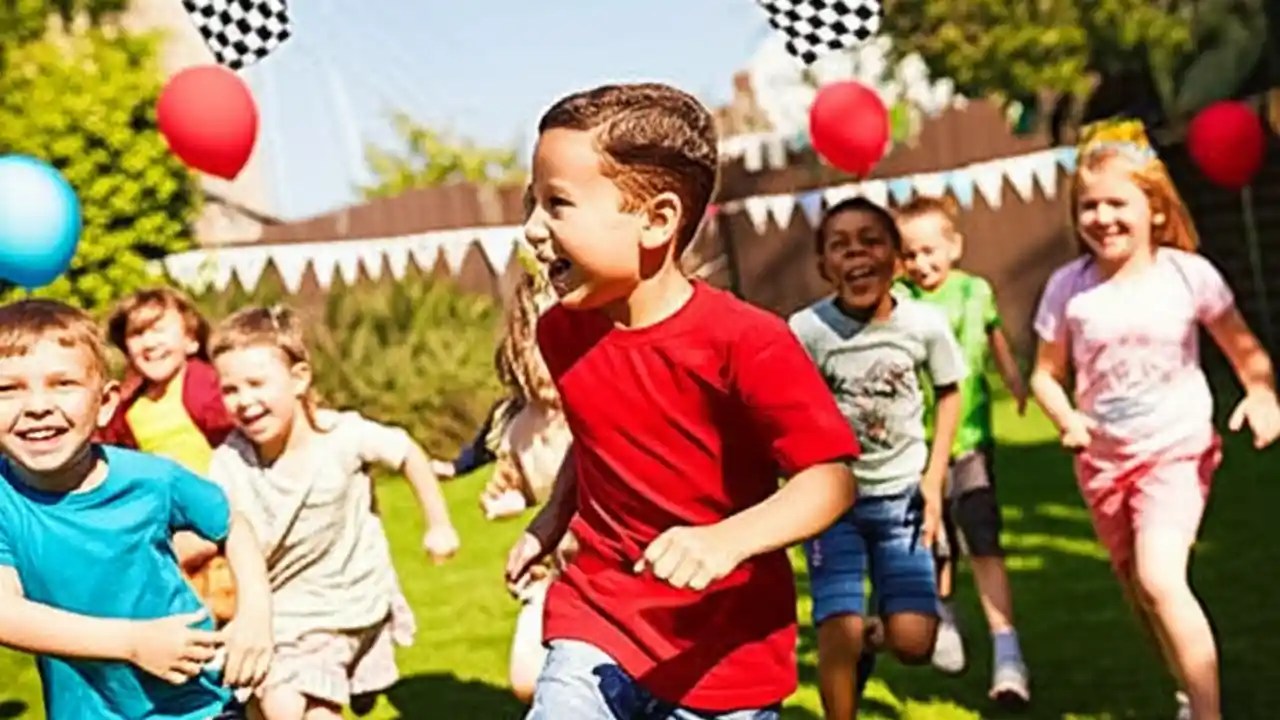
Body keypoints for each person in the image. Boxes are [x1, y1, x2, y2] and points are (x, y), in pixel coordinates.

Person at [504, 82, 861, 720]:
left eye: (557, 204)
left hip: (721, 649)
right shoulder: (560, 331)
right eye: (533, 202)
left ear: (657, 220)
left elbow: (830, 480)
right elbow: (596, 440)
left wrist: (726, 540)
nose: (531, 229)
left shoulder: (746, 342)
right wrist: (551, 519)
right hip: (599, 615)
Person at [1029, 123, 1280, 720]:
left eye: (1118, 202)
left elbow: (1245, 351)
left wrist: (1263, 394)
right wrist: (1066, 416)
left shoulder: (1187, 275)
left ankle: (1207, 712)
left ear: (1156, 209)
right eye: (1089, 205)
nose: (1102, 217)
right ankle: (1186, 691)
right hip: (1103, 461)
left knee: (1160, 578)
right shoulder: (1069, 289)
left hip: (1176, 448)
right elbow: (1044, 373)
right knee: (1141, 594)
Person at [0, 298, 272, 720]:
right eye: (7, 389)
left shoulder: (154, 480)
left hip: (197, 704)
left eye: (63, 384)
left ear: (106, 403)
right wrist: (131, 643)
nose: (37, 406)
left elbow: (232, 525)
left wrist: (255, 614)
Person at [203, 305, 461, 720]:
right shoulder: (230, 463)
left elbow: (408, 452)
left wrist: (439, 524)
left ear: (299, 378)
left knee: (285, 706)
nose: (244, 401)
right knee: (285, 706)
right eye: (230, 389)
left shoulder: (343, 437)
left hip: (350, 603)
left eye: (256, 383)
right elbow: (205, 527)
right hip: (282, 613)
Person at [789, 197, 965, 718]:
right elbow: (787, 407)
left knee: (914, 642)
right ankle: (846, 662)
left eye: (871, 241)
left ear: (897, 258)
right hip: (833, 505)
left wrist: (934, 481)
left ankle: (870, 638)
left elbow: (950, 391)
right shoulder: (807, 331)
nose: (857, 254)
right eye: (840, 246)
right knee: (836, 629)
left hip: (904, 501)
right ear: (824, 267)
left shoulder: (925, 325)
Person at [893, 195, 1031, 704]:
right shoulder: (900, 300)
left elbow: (993, 333)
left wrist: (1013, 375)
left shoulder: (976, 290)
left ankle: (1006, 650)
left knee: (983, 540)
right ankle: (945, 616)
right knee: (934, 538)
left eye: (930, 251)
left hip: (970, 442)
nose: (921, 264)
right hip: (918, 446)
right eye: (910, 255)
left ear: (955, 246)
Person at [101, 287, 240, 622]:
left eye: (159, 329)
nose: (149, 342)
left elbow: (239, 438)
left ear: (191, 340)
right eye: (137, 334)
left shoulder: (203, 383)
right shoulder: (130, 407)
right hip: (167, 521)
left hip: (218, 514)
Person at [481, 268, 576, 702]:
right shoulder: (518, 426)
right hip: (552, 572)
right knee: (526, 679)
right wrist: (509, 499)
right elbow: (521, 481)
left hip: (613, 567)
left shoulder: (593, 410)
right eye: (534, 345)